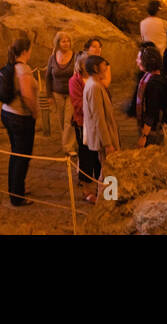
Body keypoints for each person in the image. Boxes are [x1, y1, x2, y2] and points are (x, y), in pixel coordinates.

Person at [0, 37, 39, 207]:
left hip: (7, 112)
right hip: (20, 117)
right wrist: (34, 112)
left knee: (16, 153)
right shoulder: (23, 69)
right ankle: (17, 196)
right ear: (25, 51)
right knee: (22, 156)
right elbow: (26, 94)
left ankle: (16, 188)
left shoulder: (11, 66)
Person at [81, 55, 119, 204]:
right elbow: (98, 118)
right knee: (107, 171)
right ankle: (107, 202)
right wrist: (108, 143)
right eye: (104, 66)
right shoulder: (94, 87)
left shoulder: (94, 84)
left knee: (107, 169)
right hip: (104, 138)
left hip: (104, 136)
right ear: (96, 69)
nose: (106, 69)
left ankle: (109, 199)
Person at [45, 31, 77, 155]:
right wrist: (49, 95)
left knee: (69, 120)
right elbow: (48, 76)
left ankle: (68, 148)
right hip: (57, 93)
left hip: (71, 93)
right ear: (58, 43)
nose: (66, 43)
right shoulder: (53, 57)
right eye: (63, 41)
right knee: (61, 120)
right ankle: (67, 142)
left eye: (68, 41)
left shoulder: (75, 57)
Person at [134, 47, 167, 147]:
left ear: (148, 62)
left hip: (153, 131)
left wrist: (144, 135)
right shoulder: (153, 75)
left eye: (139, 59)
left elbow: (152, 111)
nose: (137, 61)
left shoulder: (154, 83)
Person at [68, 52, 92, 185]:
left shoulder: (95, 78)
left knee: (95, 155)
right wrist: (94, 108)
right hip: (82, 122)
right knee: (85, 154)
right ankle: (85, 184)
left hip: (95, 122)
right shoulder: (74, 81)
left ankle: (96, 182)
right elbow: (77, 103)